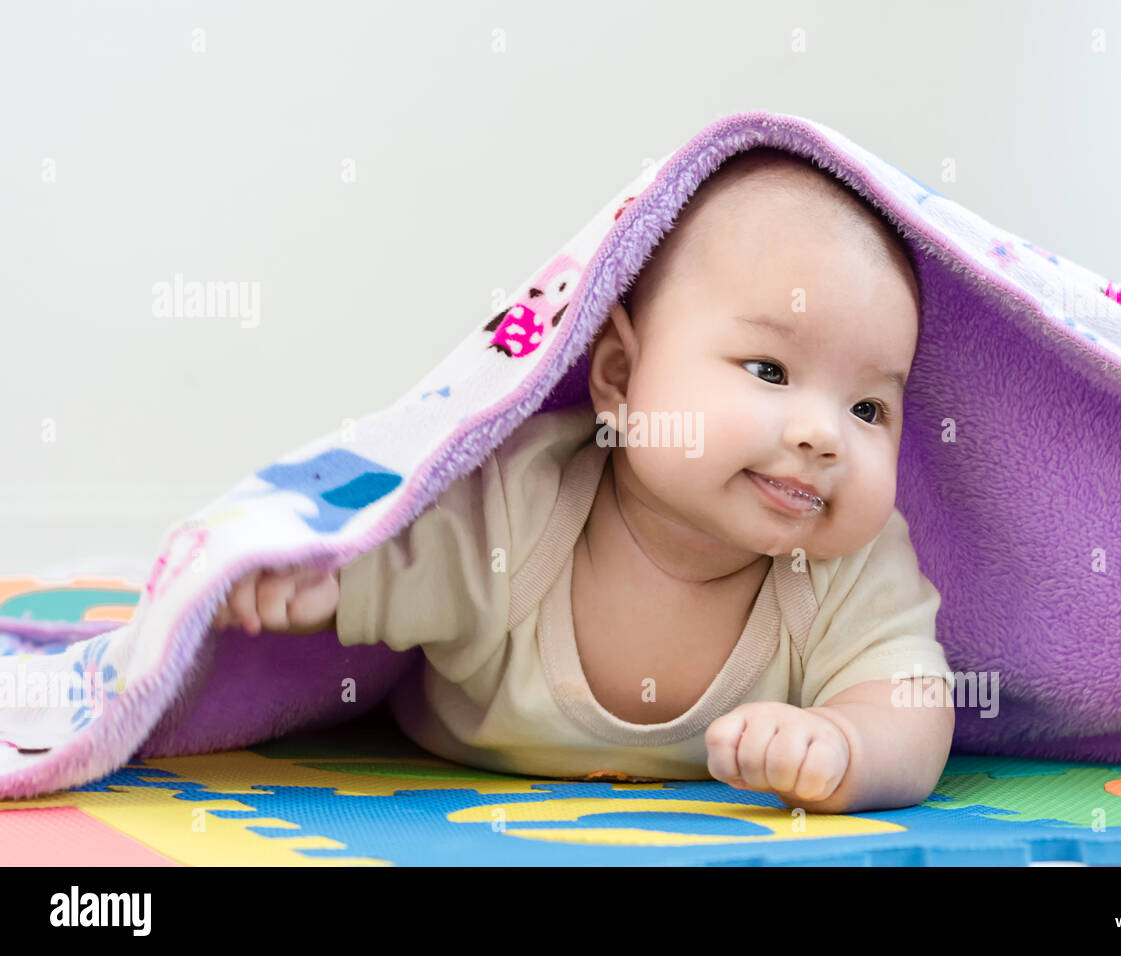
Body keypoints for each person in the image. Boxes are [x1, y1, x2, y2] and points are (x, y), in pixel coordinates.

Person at [211, 146, 955, 814]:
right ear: (621, 377)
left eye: (867, 407)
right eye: (769, 370)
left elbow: (911, 699)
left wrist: (845, 743)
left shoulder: (847, 569)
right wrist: (322, 582)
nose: (822, 436)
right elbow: (406, 556)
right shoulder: (518, 501)